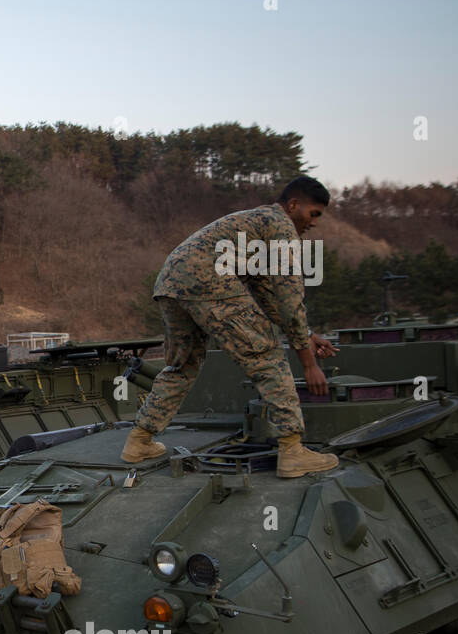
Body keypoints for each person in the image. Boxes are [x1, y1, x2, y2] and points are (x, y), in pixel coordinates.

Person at [121, 176, 341, 478]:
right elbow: (291, 299)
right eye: (313, 214)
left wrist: (307, 335)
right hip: (209, 280)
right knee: (267, 356)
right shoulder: (281, 227)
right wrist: (309, 363)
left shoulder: (255, 224)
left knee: (181, 366)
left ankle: (139, 440)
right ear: (293, 205)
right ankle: (292, 450)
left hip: (171, 282)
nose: (314, 223)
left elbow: (267, 295)